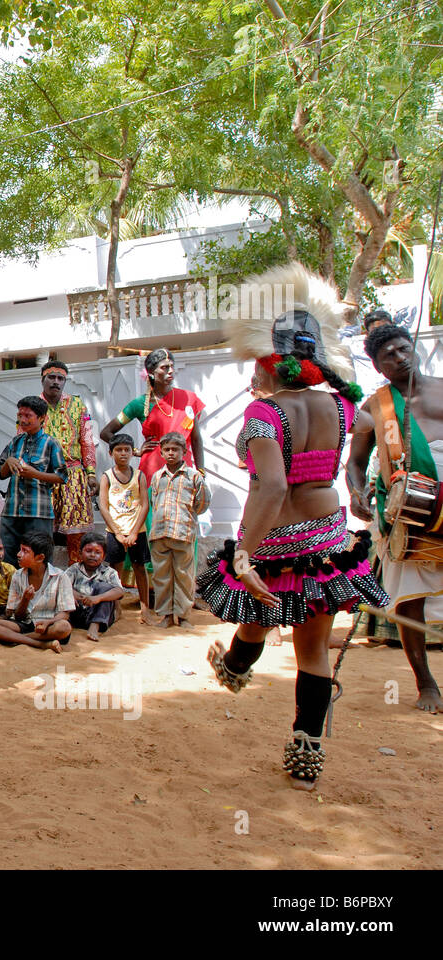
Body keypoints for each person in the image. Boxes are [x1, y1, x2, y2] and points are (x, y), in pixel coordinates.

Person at [198, 263, 388, 790]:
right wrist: (354, 475)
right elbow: (370, 423)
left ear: (271, 363)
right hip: (327, 536)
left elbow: (272, 488)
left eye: (258, 363)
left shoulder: (262, 416)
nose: (252, 372)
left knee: (259, 615)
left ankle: (235, 667)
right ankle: (307, 758)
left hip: (278, 538)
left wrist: (243, 554)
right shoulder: (344, 409)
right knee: (312, 649)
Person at [346, 322, 443, 713]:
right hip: (405, 509)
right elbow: (353, 464)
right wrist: (357, 492)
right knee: (409, 597)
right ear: (377, 366)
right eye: (390, 355)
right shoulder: (375, 408)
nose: (401, 357)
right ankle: (427, 685)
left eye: (404, 349)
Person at [99, 349, 206, 483]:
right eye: (165, 367)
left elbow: (196, 439)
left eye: (172, 366)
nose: (171, 370)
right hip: (153, 471)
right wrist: (135, 451)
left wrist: (201, 472)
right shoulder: (139, 404)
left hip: (183, 469)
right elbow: (106, 433)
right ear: (151, 373)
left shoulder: (189, 398)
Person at [35, 360, 98, 562]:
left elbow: (87, 440)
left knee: (76, 534)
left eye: (60, 378)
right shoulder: (32, 405)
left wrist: (91, 473)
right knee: (41, 531)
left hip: (74, 475)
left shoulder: (77, 405)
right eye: (51, 377)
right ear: (42, 379)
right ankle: (43, 577)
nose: (56, 382)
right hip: (43, 477)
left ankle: (76, 578)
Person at [148, 431, 210, 627]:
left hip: (183, 532)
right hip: (160, 533)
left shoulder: (194, 477)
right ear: (161, 453)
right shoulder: (157, 477)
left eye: (175, 449)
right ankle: (166, 616)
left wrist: (188, 518)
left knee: (184, 576)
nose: (171, 453)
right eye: (166, 450)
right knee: (162, 576)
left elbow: (202, 503)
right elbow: (153, 501)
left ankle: (183, 616)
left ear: (184, 451)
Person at [0, 396, 67, 562]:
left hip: (38, 513)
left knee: (39, 559)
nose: (22, 420)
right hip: (11, 512)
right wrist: (8, 462)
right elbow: (1, 473)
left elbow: (62, 477)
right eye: (20, 415)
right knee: (9, 559)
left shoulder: (51, 444)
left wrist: (34, 473)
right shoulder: (15, 443)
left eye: (28, 416)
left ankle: (41, 589)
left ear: (41, 418)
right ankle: (15, 589)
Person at [0, 531, 73, 652]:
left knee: (63, 627)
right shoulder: (17, 576)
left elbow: (64, 614)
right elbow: (18, 616)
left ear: (40, 558)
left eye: (25, 551)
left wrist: (49, 622)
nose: (19, 554)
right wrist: (25, 599)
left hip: (49, 627)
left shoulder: (60, 577)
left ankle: (12, 639)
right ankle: (40, 644)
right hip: (24, 624)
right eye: (20, 549)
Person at [98, 435, 152, 623]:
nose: (123, 454)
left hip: (137, 530)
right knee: (115, 571)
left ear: (132, 452)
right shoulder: (107, 476)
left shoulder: (139, 476)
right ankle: (116, 607)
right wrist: (118, 533)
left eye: (127, 450)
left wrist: (135, 531)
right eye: (119, 450)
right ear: (111, 452)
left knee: (139, 567)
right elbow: (103, 507)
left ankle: (145, 609)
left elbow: (145, 505)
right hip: (115, 531)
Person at [65, 532, 125, 641]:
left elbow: (119, 591)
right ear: (80, 553)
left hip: (101, 615)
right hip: (78, 613)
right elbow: (62, 584)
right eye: (88, 551)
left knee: (105, 587)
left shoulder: (109, 572)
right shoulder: (74, 569)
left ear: (104, 556)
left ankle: (95, 625)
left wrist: (98, 598)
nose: (92, 555)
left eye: (97, 552)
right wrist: (75, 594)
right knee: (65, 590)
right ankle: (68, 623)